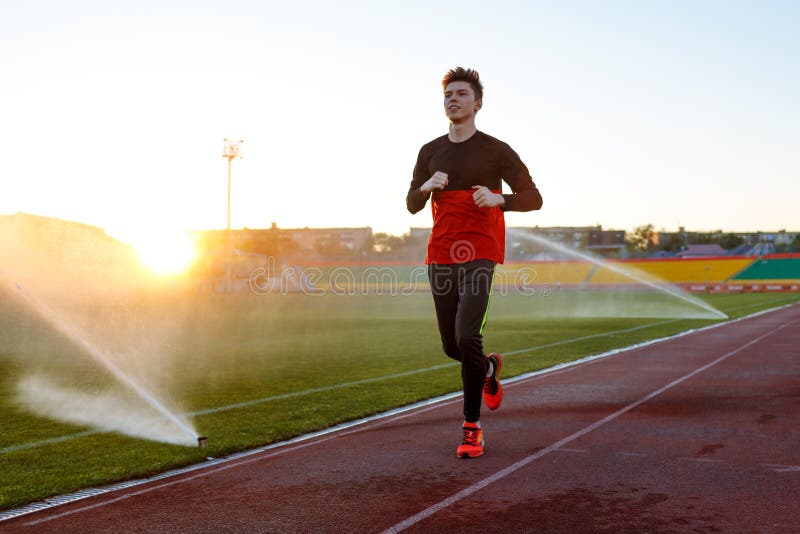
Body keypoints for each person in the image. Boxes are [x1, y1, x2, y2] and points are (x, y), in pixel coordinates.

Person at [406, 67, 543, 458]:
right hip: (440, 255)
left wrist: (502, 199)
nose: (454, 99)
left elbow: (534, 197)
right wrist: (425, 187)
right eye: (448, 94)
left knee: (468, 337)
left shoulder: (496, 150)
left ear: (477, 103)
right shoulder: (429, 151)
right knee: (452, 346)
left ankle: (472, 428)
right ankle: (487, 370)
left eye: (462, 93)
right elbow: (411, 204)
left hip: (481, 252)